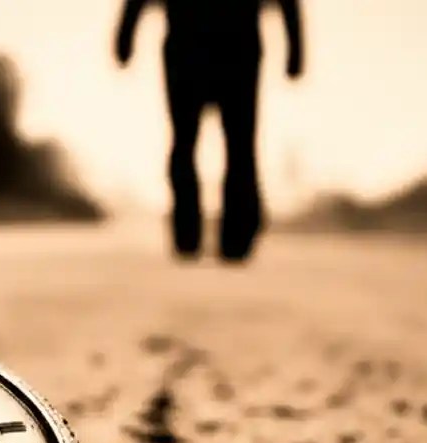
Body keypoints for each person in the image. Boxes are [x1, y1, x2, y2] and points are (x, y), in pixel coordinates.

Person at [116, 0, 303, 262]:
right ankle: (217, 235)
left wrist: (124, 38)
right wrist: (295, 49)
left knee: (208, 145)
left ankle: (201, 234)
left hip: (201, 48)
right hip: (226, 47)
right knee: (227, 146)